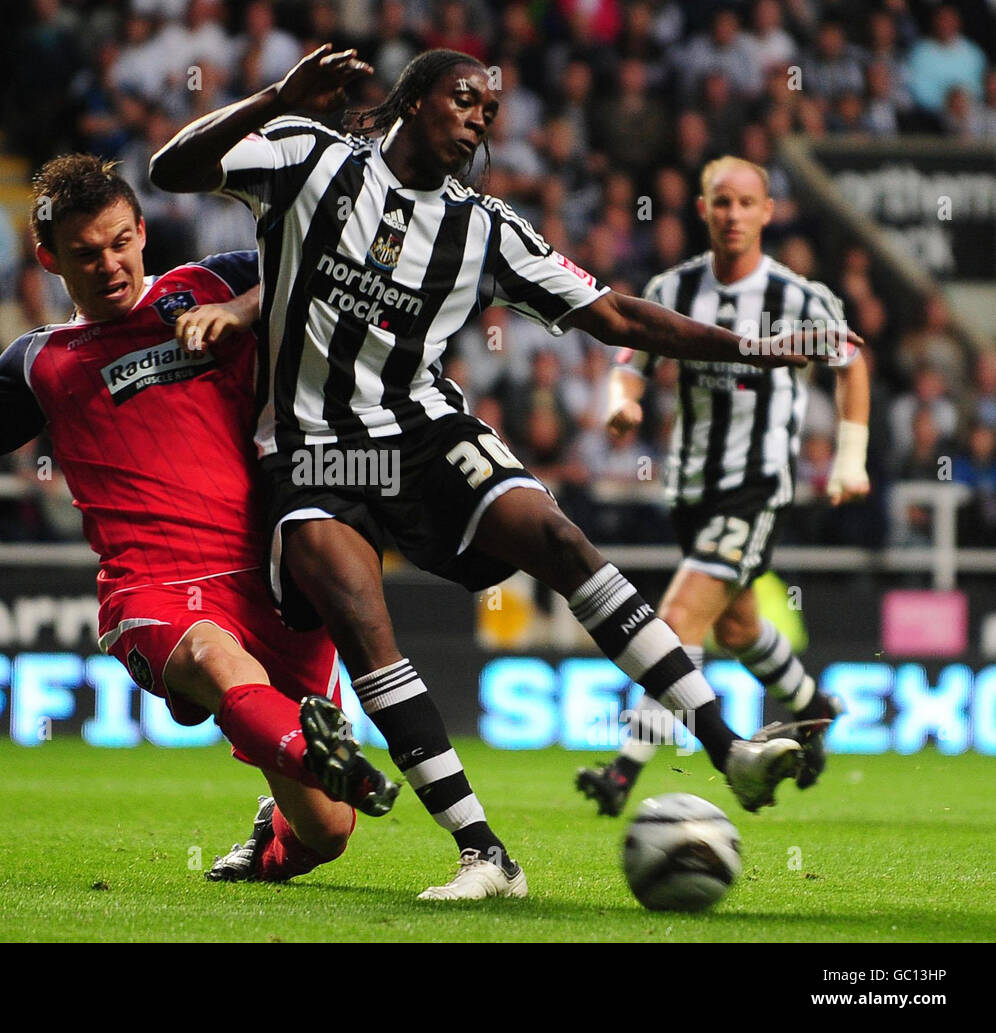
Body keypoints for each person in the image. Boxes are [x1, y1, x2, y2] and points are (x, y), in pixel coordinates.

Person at [149, 46, 853, 899]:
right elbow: (171, 168)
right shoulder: (309, 153)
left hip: (423, 430)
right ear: (411, 101)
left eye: (490, 107)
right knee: (368, 629)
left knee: (557, 536)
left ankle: (729, 746)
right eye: (463, 99)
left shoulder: (485, 228)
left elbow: (616, 314)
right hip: (307, 447)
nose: (481, 116)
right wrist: (274, 97)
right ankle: (486, 854)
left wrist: (756, 348)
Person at [0, 154, 399, 887]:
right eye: (85, 253)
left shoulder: (211, 286)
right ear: (48, 258)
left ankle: (275, 832)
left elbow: (331, 271)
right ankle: (325, 756)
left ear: (144, 230)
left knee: (327, 830)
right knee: (215, 658)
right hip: (155, 589)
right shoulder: (40, 362)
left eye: (120, 241)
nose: (109, 264)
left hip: (274, 583)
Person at [576, 156, 870, 816]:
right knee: (737, 627)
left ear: (768, 212)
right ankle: (813, 705)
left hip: (757, 486)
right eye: (721, 202)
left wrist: (851, 458)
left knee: (677, 620)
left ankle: (623, 771)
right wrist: (620, 402)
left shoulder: (798, 295)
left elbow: (850, 361)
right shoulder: (674, 287)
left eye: (746, 203)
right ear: (703, 210)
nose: (733, 214)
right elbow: (631, 357)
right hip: (689, 490)